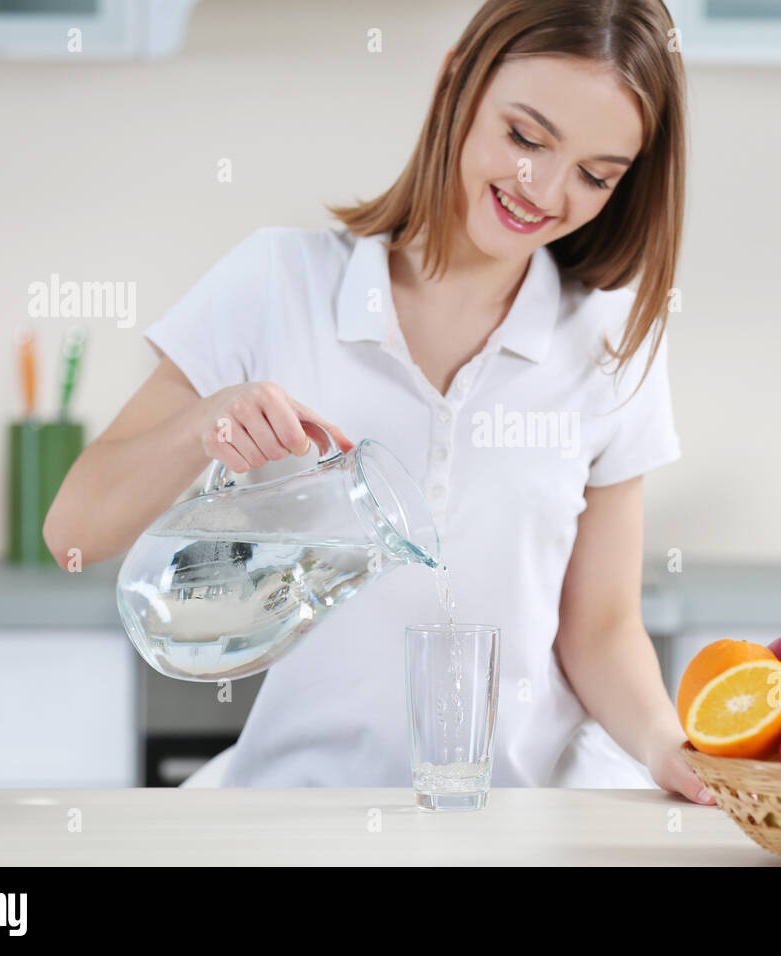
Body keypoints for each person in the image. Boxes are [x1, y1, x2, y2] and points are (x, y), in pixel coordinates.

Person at [44, 0, 712, 804]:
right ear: (455, 83)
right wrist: (206, 420)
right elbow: (73, 532)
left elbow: (601, 628)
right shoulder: (278, 284)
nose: (544, 189)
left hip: (524, 817)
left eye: (596, 174)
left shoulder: (609, 339)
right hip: (300, 808)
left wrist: (667, 748)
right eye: (525, 137)